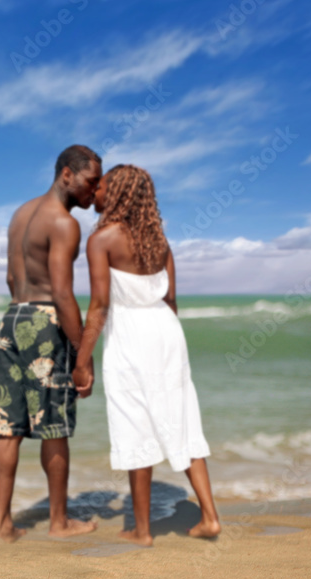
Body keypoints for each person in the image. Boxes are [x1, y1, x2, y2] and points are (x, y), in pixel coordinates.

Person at [72, 164, 221, 546]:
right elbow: (171, 300)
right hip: (167, 332)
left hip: (130, 334)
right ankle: (209, 517)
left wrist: (82, 360)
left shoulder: (102, 239)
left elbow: (100, 305)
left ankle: (141, 530)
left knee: (134, 421)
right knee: (182, 419)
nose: (97, 190)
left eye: (103, 184)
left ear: (118, 192)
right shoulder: (160, 242)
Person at [0, 145, 102, 541]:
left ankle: (4, 524)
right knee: (54, 426)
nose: (95, 190)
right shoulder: (64, 223)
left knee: (9, 428)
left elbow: (10, 278)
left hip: (13, 317)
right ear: (66, 175)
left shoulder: (20, 214)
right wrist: (83, 356)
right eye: (91, 181)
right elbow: (62, 293)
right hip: (44, 323)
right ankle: (59, 522)